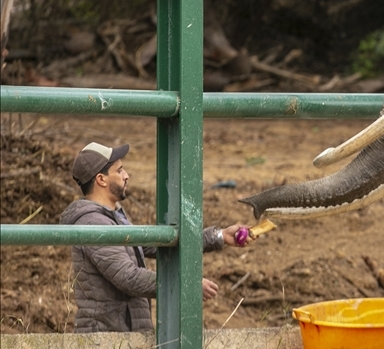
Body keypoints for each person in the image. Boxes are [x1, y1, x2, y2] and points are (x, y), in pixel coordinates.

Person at [59, 141, 252, 333]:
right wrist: (186, 284)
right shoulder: (94, 223)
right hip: (106, 339)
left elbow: (156, 244)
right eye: (119, 171)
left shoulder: (113, 216)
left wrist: (219, 236)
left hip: (124, 333)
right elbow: (128, 278)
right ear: (101, 180)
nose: (126, 176)